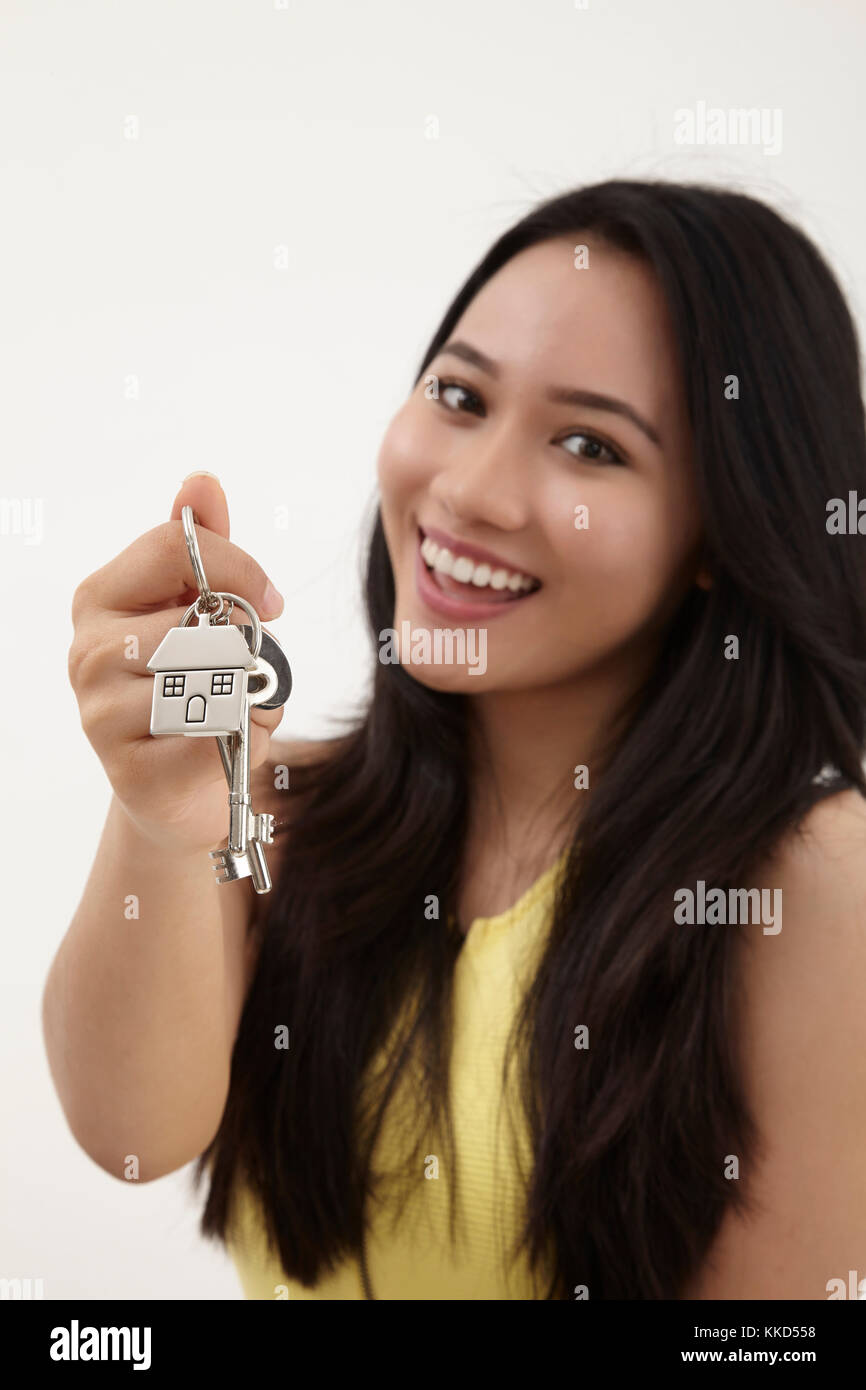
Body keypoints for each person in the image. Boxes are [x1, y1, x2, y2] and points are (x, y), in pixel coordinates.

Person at [46, 179, 866, 1300]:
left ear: (724, 527)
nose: (469, 491)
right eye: (460, 395)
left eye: (588, 445)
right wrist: (158, 808)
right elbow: (129, 1133)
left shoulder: (811, 880)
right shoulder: (282, 809)